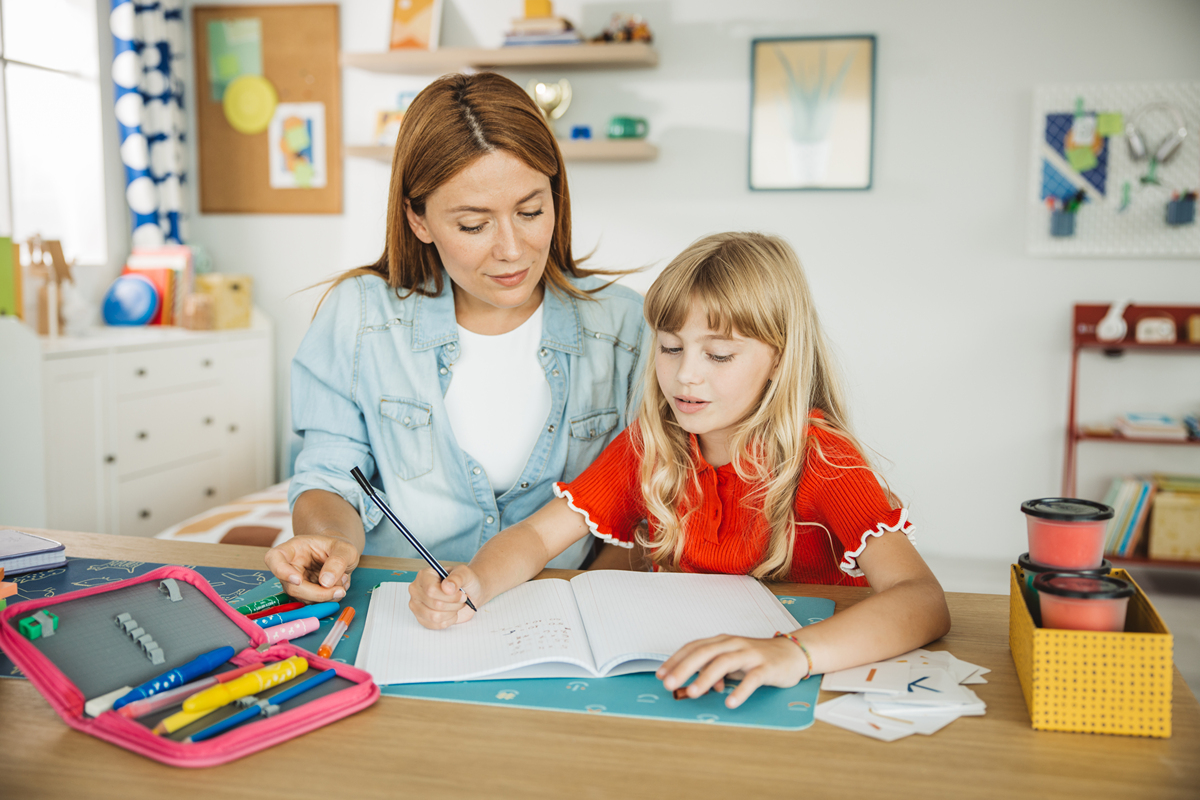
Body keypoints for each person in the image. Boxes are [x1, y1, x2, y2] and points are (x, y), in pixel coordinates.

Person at [408, 231, 951, 708]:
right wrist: (474, 579)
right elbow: (535, 535)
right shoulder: (652, 443)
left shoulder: (822, 457)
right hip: (679, 680)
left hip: (804, 683)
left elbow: (922, 600)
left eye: (718, 355)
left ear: (780, 360)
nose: (686, 376)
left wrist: (791, 655)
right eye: (670, 348)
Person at [266, 72, 651, 603]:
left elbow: (647, 505)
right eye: (474, 225)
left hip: (562, 609)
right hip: (398, 602)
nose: (513, 250)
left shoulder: (626, 328)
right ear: (418, 218)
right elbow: (330, 475)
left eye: (531, 211)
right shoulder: (358, 315)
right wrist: (329, 542)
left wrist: (585, 601)